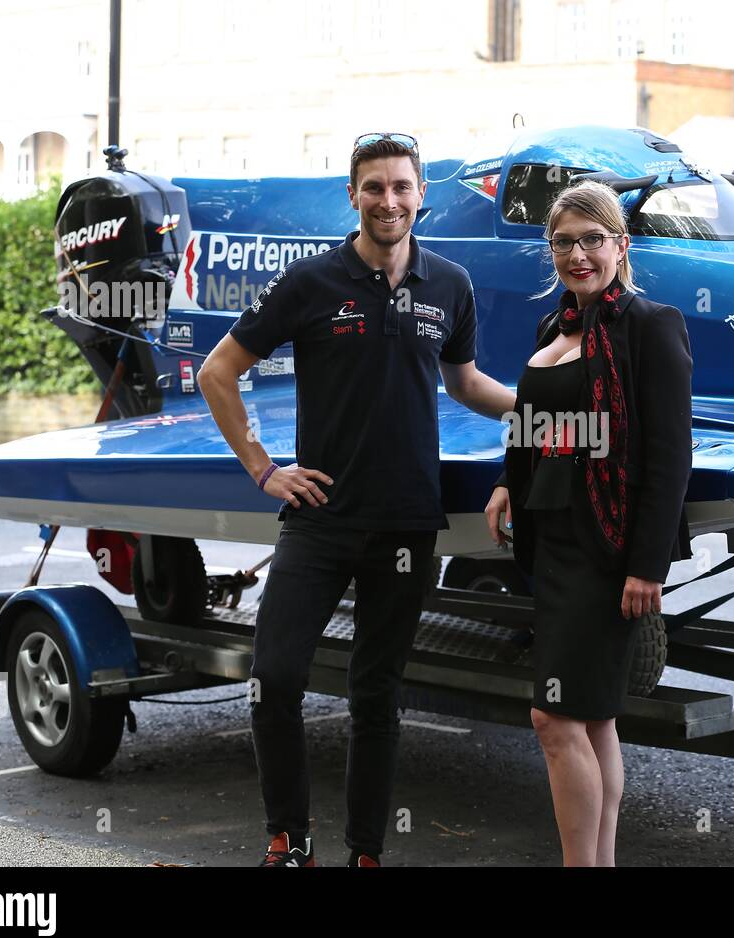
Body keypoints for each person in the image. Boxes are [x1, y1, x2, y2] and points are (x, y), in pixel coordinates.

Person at [198, 133, 515, 867]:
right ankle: (290, 837)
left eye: (401, 187)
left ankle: (367, 853)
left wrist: (543, 410)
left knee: (377, 697)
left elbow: (466, 382)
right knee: (274, 678)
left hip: (407, 521)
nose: (389, 201)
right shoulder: (311, 282)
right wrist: (263, 468)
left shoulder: (450, 284)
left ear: (421, 194)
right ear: (353, 195)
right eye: (374, 187)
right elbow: (220, 372)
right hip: (319, 518)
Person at [485, 179, 693, 866]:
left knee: (553, 717)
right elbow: (536, 422)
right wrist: (504, 484)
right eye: (564, 242)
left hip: (607, 547)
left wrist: (647, 565)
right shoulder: (557, 326)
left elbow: (669, 456)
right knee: (594, 717)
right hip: (555, 539)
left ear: (620, 245)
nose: (578, 254)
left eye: (592, 240)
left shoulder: (650, 325)